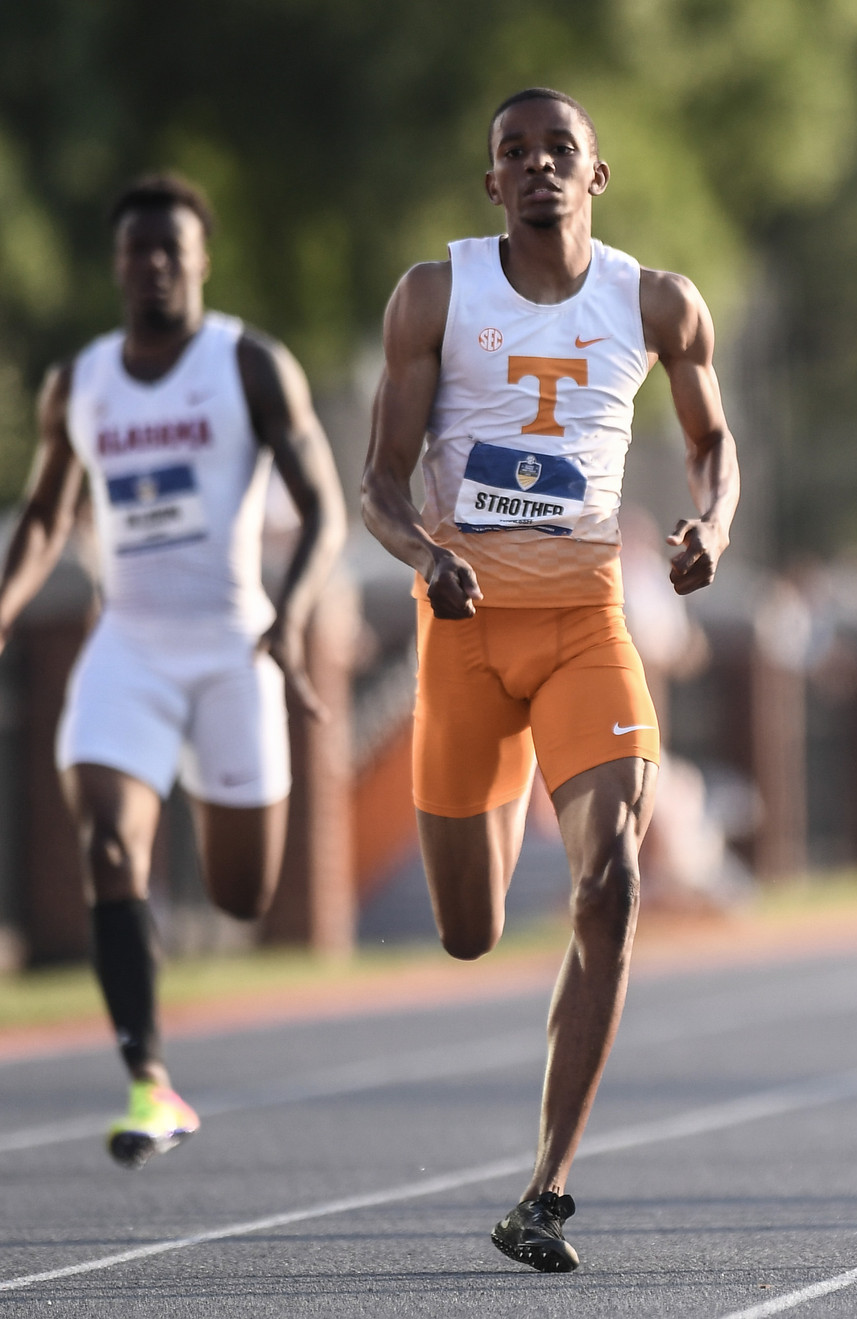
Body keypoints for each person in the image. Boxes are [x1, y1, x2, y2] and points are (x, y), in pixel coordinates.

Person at [360, 87, 738, 1272]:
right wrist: (427, 554)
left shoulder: (656, 301)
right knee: (469, 931)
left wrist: (712, 527)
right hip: (466, 631)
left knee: (611, 884)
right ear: (492, 184)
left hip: (585, 626)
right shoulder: (435, 294)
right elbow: (378, 478)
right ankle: (496, 785)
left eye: (556, 151)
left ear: (596, 175)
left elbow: (713, 441)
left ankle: (547, 1187)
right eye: (513, 153)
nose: (536, 167)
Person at [0, 173, 347, 1168]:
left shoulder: (248, 364)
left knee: (245, 897)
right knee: (108, 845)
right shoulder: (81, 382)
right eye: (134, 251)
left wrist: (291, 613)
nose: (151, 265)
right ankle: (150, 1077)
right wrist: (8, 601)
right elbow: (45, 514)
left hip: (235, 647)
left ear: (202, 259)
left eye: (170, 250)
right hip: (130, 649)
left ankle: (208, 784)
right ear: (116, 266)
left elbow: (321, 503)